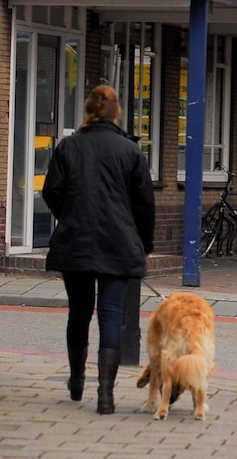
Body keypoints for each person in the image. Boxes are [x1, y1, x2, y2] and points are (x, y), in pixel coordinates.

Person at [43, 85, 155, 414]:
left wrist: (70, 214)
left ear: (89, 110)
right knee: (111, 315)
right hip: (118, 243)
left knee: (79, 311)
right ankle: (105, 395)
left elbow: (51, 191)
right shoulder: (130, 151)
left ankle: (77, 380)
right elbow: (145, 204)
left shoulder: (69, 147)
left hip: (76, 241)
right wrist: (144, 243)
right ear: (116, 112)